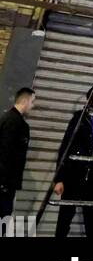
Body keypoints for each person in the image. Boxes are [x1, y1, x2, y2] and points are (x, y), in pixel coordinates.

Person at [53, 85, 93, 239]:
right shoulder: (79, 117)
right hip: (73, 174)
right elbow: (65, 147)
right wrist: (59, 178)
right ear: (89, 98)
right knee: (64, 221)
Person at [0, 87, 34, 224]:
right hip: (4, 185)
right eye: (32, 102)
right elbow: (5, 153)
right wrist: (4, 184)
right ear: (25, 101)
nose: (33, 106)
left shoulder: (10, 119)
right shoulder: (14, 122)